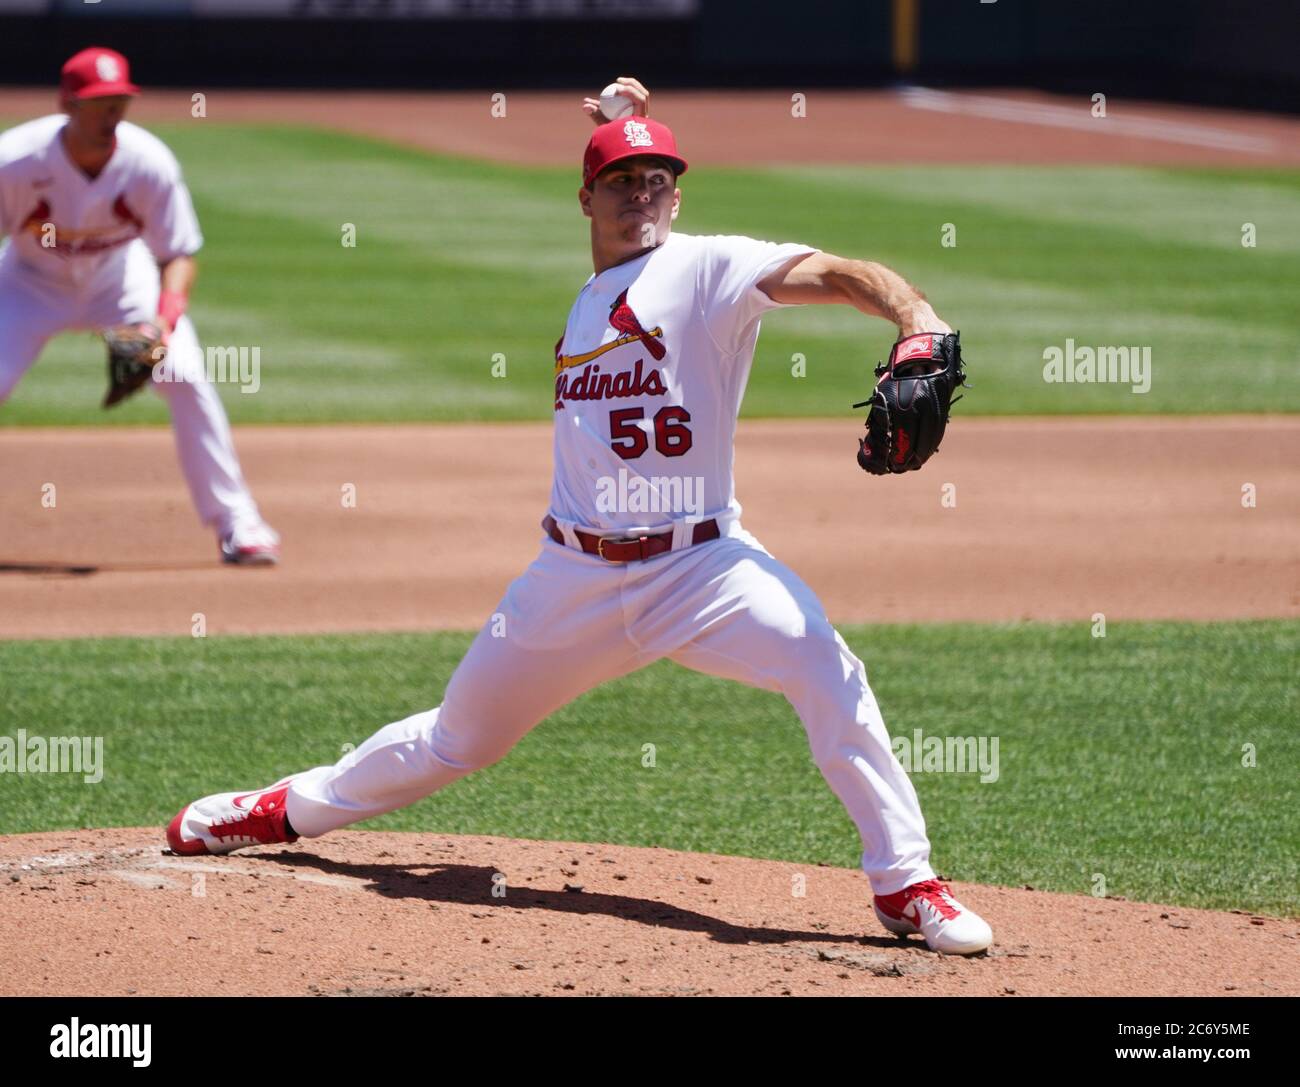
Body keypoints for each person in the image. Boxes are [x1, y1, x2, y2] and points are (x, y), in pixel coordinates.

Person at [166, 79, 992, 954]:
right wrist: (616, 125)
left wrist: (915, 315)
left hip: (702, 568)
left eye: (656, 178)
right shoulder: (591, 298)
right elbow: (624, 194)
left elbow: (833, 271)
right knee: (455, 740)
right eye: (621, 178)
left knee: (826, 668)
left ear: (679, 193)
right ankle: (278, 810)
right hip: (570, 580)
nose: (641, 191)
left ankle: (906, 884)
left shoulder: (711, 267)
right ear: (586, 198)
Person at [0, 46, 279, 565]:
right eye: (98, 102)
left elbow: (179, 253)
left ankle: (238, 524)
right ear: (67, 103)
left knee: (185, 373)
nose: (111, 114)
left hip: (120, 283)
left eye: (119, 102)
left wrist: (162, 322)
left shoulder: (148, 163)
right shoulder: (14, 161)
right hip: (27, 282)